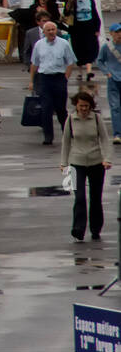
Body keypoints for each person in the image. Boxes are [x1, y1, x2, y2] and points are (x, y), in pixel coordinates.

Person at [61, 92, 113, 241]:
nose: (84, 109)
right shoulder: (70, 119)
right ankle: (78, 228)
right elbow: (66, 142)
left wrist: (107, 159)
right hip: (76, 163)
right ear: (76, 105)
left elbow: (104, 139)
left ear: (90, 106)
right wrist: (63, 163)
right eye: (81, 106)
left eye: (86, 106)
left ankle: (96, 228)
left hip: (96, 162)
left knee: (95, 198)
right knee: (79, 197)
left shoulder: (96, 119)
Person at [30, 22, 78, 145]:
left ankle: (67, 133)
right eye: (49, 30)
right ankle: (48, 136)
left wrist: (66, 77)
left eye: (53, 29)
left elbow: (70, 61)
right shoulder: (39, 45)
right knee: (46, 109)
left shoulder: (64, 44)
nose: (51, 32)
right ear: (44, 32)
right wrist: (31, 81)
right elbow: (34, 63)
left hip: (59, 78)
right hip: (45, 79)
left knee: (61, 109)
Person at [61, 0, 101, 78]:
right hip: (76, 28)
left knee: (90, 48)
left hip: (89, 27)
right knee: (78, 49)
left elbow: (94, 13)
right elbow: (66, 14)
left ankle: (88, 71)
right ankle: (80, 71)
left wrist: (97, 28)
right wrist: (69, 4)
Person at [95, 23, 121, 145]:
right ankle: (117, 133)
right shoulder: (107, 47)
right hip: (113, 81)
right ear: (111, 33)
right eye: (116, 32)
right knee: (115, 107)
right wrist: (107, 73)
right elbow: (99, 61)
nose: (119, 34)